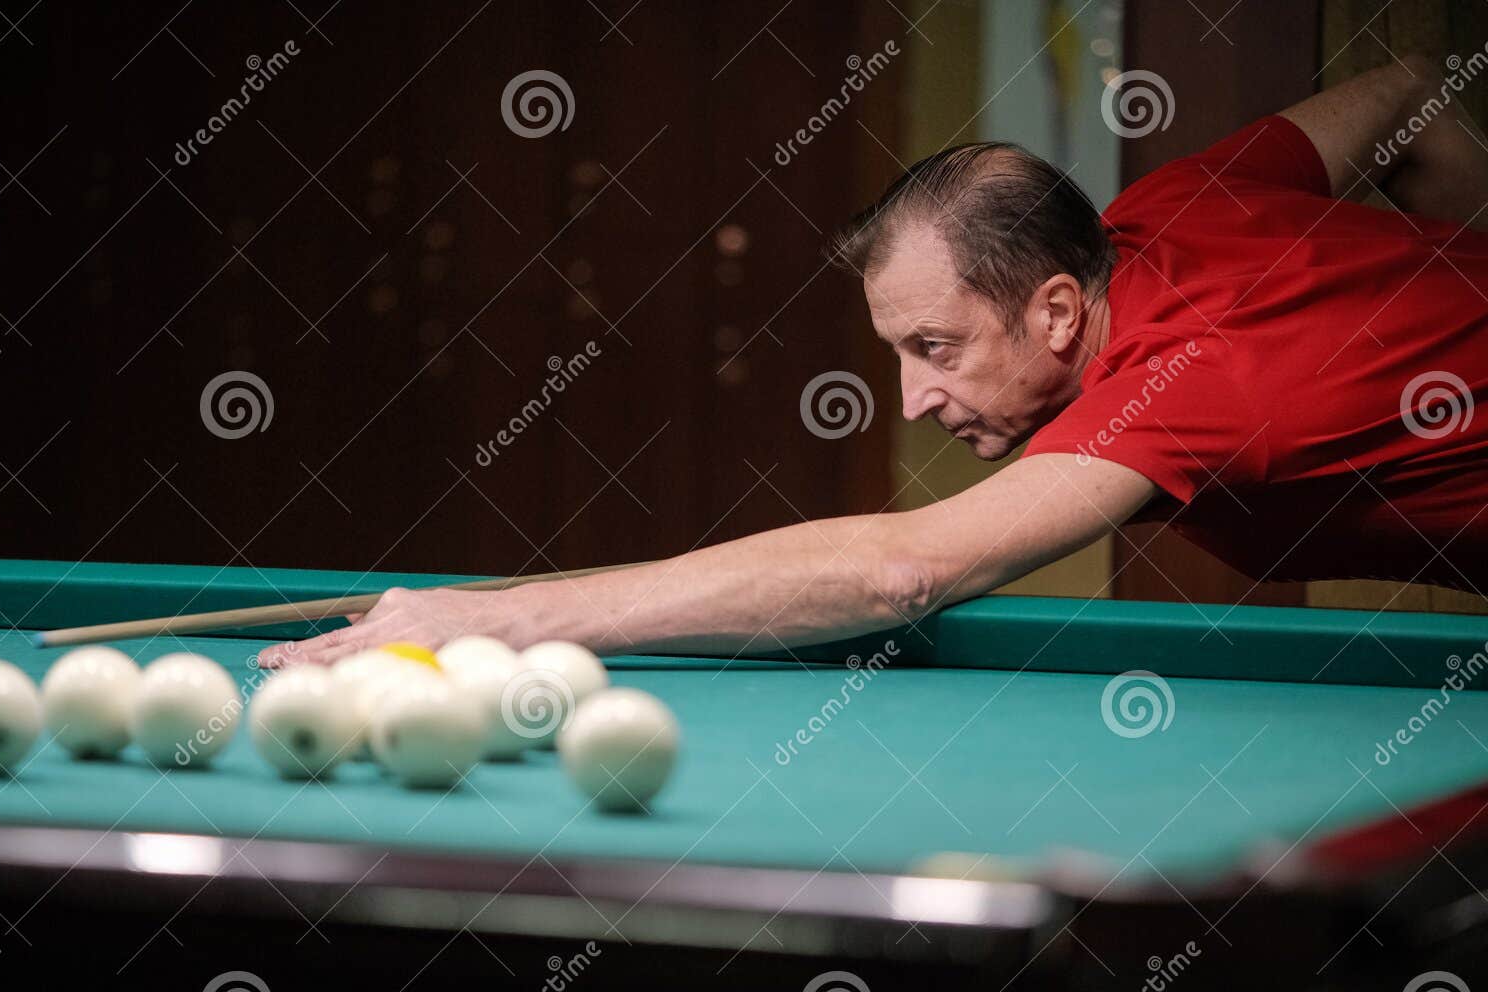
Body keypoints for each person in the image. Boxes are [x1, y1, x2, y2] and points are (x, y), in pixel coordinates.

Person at [261, 55, 1488, 668]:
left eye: (936, 347)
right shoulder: (1169, 211)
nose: (913, 395)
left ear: (1059, 310)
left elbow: (905, 570)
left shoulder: (1190, 390)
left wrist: (497, 618)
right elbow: (1411, 91)